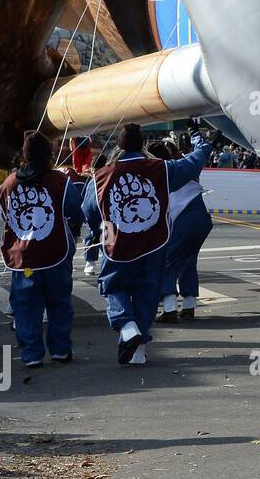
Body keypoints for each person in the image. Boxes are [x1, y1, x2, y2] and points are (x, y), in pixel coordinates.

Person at [84, 122, 209, 365]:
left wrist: (102, 227)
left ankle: (128, 327)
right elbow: (192, 163)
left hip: (117, 244)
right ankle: (138, 352)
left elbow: (89, 210)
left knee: (114, 287)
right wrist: (202, 145)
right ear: (142, 144)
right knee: (146, 294)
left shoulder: (100, 176)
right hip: (153, 243)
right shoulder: (162, 168)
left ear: (118, 146)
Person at [0, 132, 82, 367]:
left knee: (26, 307)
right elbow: (75, 211)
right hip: (55, 253)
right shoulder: (60, 180)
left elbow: (7, 217)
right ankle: (60, 350)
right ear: (49, 154)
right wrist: (73, 231)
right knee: (59, 303)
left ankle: (31, 354)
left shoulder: (8, 184)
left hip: (22, 259)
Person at [150, 141, 213, 323]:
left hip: (182, 221)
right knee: (188, 260)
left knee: (167, 262)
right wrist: (197, 136)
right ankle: (189, 305)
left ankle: (170, 308)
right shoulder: (184, 167)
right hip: (201, 219)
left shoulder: (159, 173)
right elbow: (201, 152)